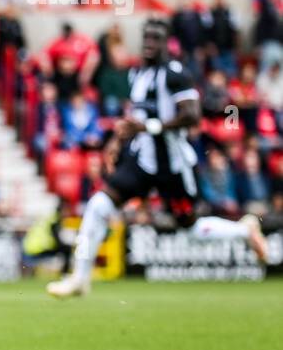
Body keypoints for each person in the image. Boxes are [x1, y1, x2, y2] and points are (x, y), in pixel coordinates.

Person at [48, 17, 269, 298]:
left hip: (174, 166)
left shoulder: (176, 74)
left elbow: (192, 116)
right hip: (143, 162)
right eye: (146, 37)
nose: (149, 43)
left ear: (167, 43)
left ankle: (244, 230)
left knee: (188, 228)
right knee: (98, 205)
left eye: (155, 38)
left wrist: (148, 127)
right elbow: (136, 115)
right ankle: (79, 278)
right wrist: (118, 140)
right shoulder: (138, 75)